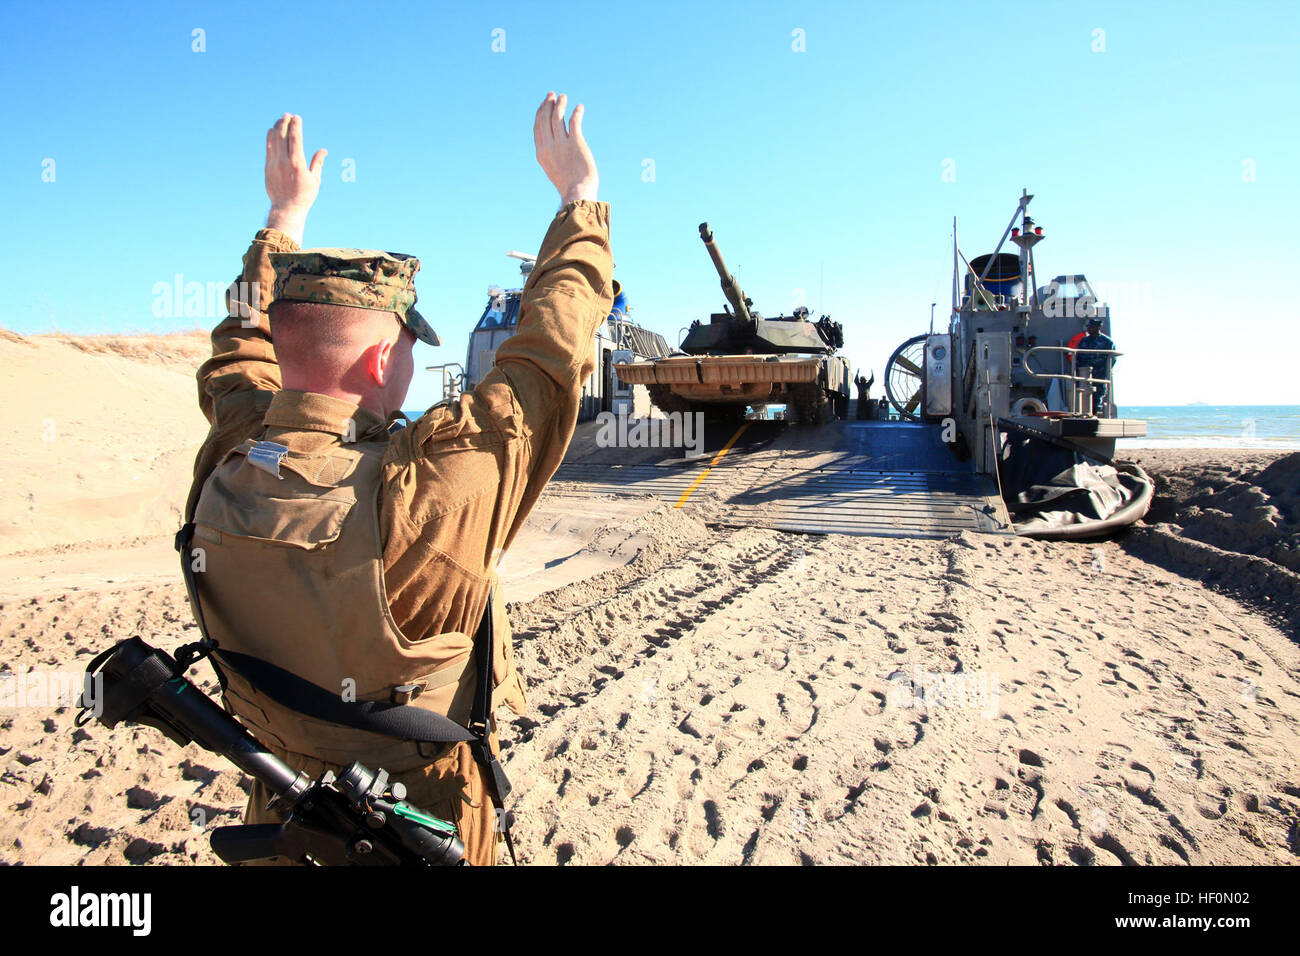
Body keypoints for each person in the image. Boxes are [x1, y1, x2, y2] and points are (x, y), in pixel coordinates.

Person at [181, 95, 612, 866]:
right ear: (386, 361)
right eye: (409, 345)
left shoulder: (232, 453)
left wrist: (283, 217)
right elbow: (548, 358)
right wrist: (580, 200)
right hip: (423, 820)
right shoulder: (428, 492)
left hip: (284, 805)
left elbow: (239, 345)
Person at [1073, 317, 1115, 412]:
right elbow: (1078, 356)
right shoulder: (1084, 341)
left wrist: (1104, 371)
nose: (1089, 329)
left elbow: (1112, 359)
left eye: (1092, 327)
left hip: (1099, 374)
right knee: (1083, 394)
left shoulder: (1107, 342)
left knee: (1097, 395)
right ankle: (1084, 413)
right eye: (1089, 327)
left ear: (1098, 328)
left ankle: (1095, 412)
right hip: (1084, 374)